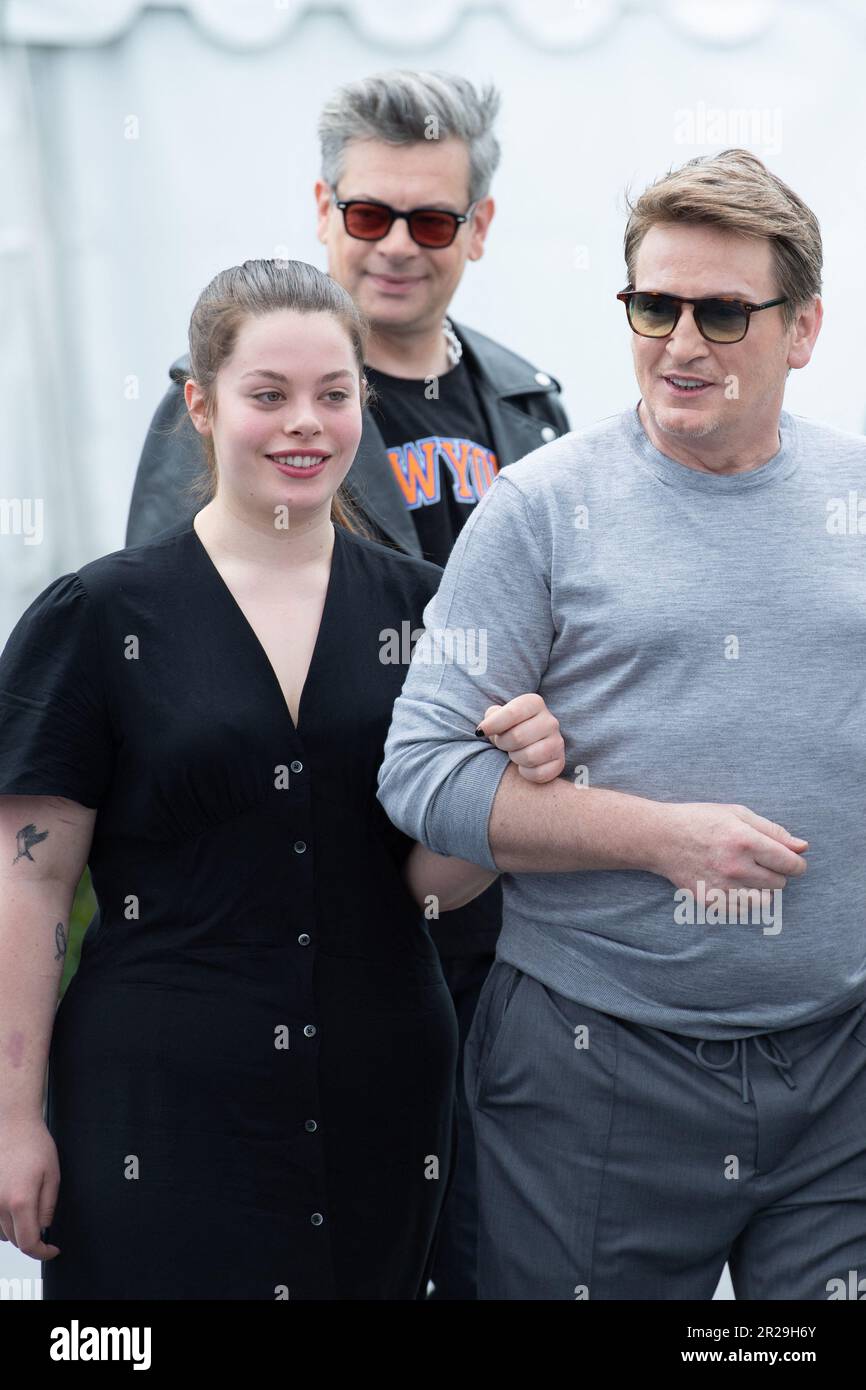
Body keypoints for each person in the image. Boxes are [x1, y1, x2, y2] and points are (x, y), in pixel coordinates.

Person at [0, 258, 565, 1300]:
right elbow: (29, 883)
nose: (304, 424)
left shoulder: (432, 615)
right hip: (158, 1105)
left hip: (379, 1093)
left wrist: (507, 790)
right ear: (201, 406)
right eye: (268, 394)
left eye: (334, 393)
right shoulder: (99, 617)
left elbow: (425, 887)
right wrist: (13, 1116)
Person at [377, 148, 866, 1300]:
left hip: (838, 1068)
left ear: (799, 331)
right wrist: (655, 837)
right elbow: (419, 773)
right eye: (654, 304)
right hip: (596, 1069)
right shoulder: (538, 507)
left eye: (721, 312)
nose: (680, 342)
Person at [122, 69, 571, 1299]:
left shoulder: (529, 404)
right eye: (367, 214)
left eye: (430, 221)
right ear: (321, 209)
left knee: (486, 1254)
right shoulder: (229, 406)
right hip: (320, 927)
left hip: (500, 925)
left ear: (478, 228)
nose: (394, 248)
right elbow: (177, 662)